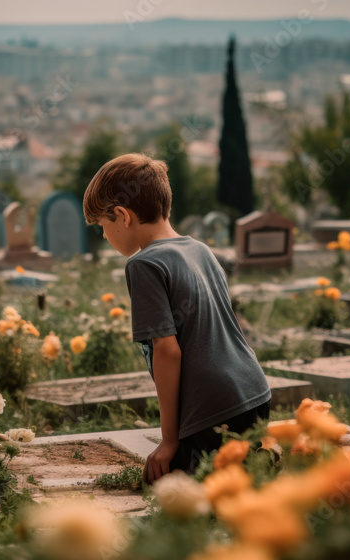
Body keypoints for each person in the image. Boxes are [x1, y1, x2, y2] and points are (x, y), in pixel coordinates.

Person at [82, 153, 271, 483]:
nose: (104, 236)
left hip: (214, 410)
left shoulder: (144, 265)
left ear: (123, 216)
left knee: (168, 489)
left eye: (102, 225)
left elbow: (167, 351)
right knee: (247, 485)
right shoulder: (200, 249)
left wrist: (170, 441)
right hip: (254, 393)